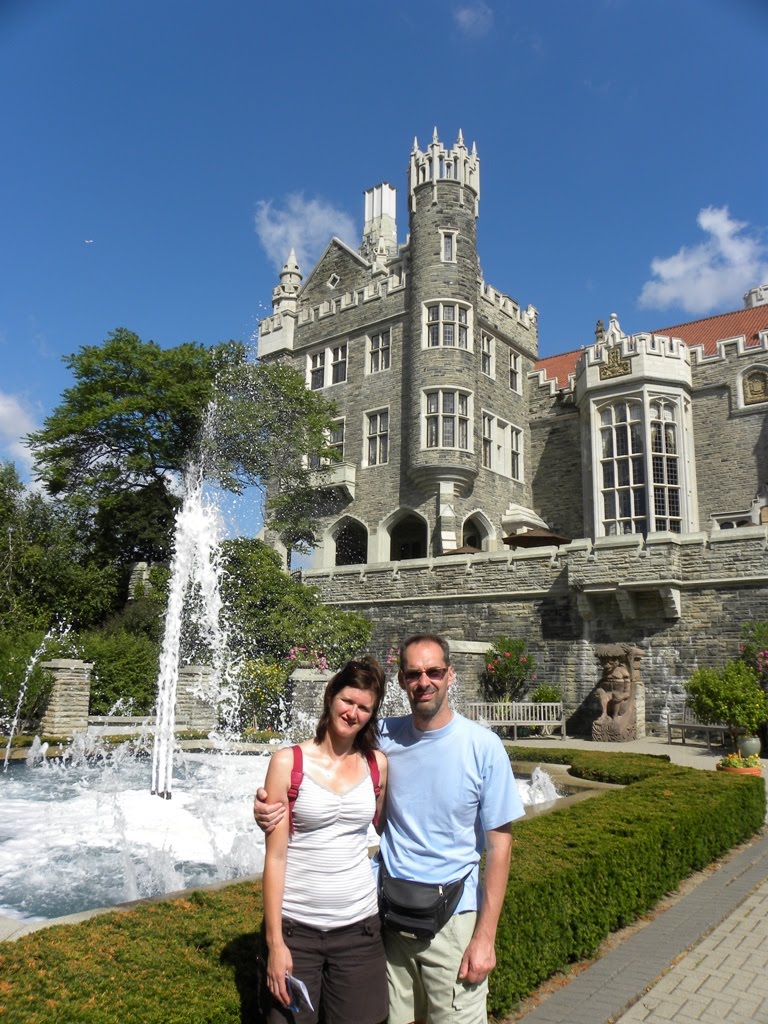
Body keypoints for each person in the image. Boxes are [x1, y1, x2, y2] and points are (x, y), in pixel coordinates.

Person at [256, 634, 525, 1024]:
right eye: (414, 673)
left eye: (433, 672)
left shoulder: (483, 747)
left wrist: (485, 938)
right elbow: (321, 779)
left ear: (450, 675)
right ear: (401, 680)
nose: (424, 681)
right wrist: (264, 807)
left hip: (451, 921)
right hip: (390, 919)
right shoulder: (383, 740)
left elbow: (500, 848)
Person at [259, 657, 389, 1024]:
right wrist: (275, 944)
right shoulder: (287, 762)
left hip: (359, 931)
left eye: (364, 708)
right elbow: (275, 858)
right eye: (348, 700)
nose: (353, 713)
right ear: (332, 695)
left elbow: (387, 825)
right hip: (297, 930)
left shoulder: (377, 764)